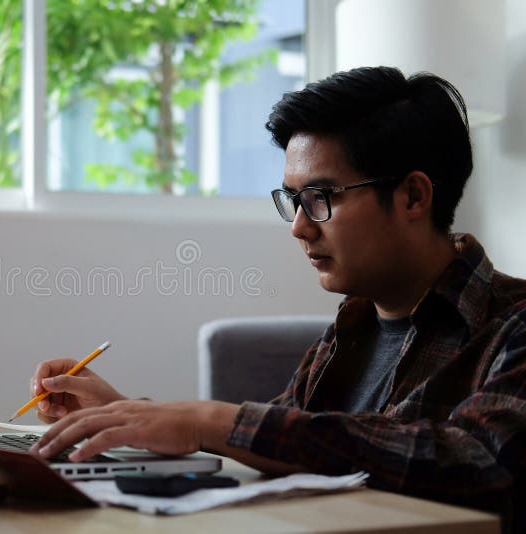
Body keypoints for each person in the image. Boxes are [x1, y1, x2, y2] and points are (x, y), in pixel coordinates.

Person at [27, 66, 526, 530]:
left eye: (320, 198)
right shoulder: (351, 328)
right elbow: (279, 441)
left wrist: (208, 419)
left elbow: (478, 459)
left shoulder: (512, 326)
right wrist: (124, 417)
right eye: (293, 199)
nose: (299, 227)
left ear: (414, 197)